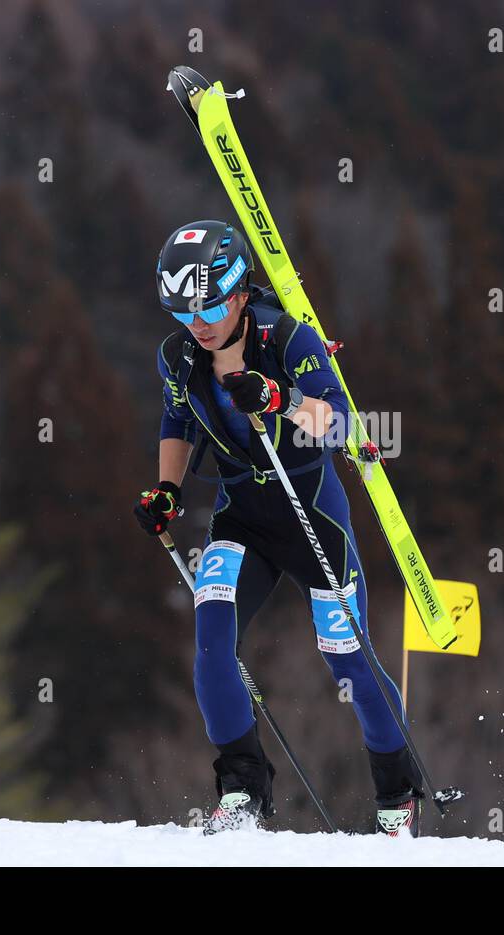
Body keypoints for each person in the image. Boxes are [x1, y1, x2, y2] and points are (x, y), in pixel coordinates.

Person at [135, 220, 422, 836]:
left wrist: (278, 400)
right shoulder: (178, 356)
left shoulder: (288, 340)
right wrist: (168, 491)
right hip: (241, 519)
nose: (199, 322)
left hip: (311, 513)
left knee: (348, 660)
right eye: (183, 310)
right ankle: (243, 791)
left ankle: (397, 797)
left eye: (210, 304)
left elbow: (343, 426)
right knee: (212, 644)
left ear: (239, 294)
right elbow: (177, 420)